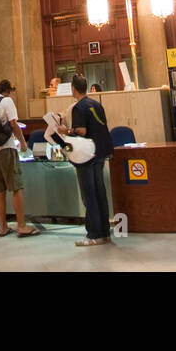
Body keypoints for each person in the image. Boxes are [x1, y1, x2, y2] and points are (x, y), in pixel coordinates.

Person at [56, 73, 113, 247]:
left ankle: (94, 234)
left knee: (89, 195)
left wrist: (65, 130)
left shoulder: (79, 107)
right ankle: (104, 232)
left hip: (87, 155)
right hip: (101, 151)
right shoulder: (96, 104)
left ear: (73, 89)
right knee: (100, 192)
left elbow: (81, 131)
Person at [0, 80, 40, 238]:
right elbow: (14, 124)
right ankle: (21, 226)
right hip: (6, 148)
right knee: (16, 186)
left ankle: (3, 227)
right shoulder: (6, 101)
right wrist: (23, 144)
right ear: (8, 91)